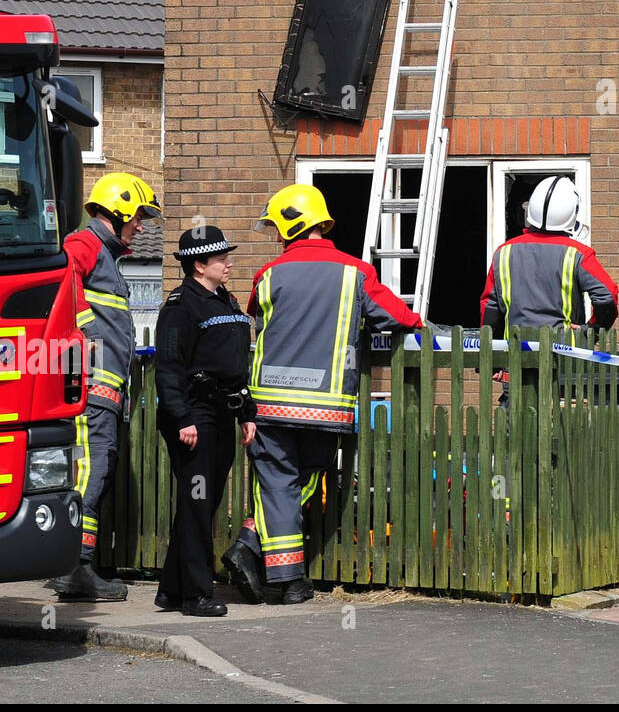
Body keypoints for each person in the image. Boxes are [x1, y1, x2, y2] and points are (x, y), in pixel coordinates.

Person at [222, 184, 422, 605]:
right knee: (302, 481)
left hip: (268, 404)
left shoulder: (268, 275)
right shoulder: (357, 273)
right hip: (324, 408)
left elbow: (253, 312)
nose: (276, 237)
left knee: (278, 483)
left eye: (277, 227)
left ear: (291, 225)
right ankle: (281, 573)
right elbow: (399, 318)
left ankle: (262, 556)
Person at [56, 173, 162, 601]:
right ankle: (73, 568)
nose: (140, 226)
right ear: (116, 212)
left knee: (97, 472)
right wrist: (85, 339)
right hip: (90, 391)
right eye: (137, 217)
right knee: (90, 474)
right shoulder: (84, 245)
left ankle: (79, 566)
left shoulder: (104, 254)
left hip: (102, 392)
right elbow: (65, 283)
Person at [154, 227, 257, 617]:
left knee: (203, 503)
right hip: (193, 416)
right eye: (220, 259)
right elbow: (168, 367)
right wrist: (182, 418)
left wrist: (246, 413)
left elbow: (234, 365)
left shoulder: (225, 301)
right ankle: (197, 595)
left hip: (221, 414)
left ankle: (170, 590)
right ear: (199, 265)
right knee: (197, 504)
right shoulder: (181, 307)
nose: (229, 263)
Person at [479, 176, 619, 404]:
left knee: (516, 427)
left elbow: (490, 308)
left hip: (515, 358)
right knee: (563, 430)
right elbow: (607, 296)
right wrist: (592, 329)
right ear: (571, 215)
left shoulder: (503, 252)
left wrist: (494, 357)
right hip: (563, 360)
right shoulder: (578, 254)